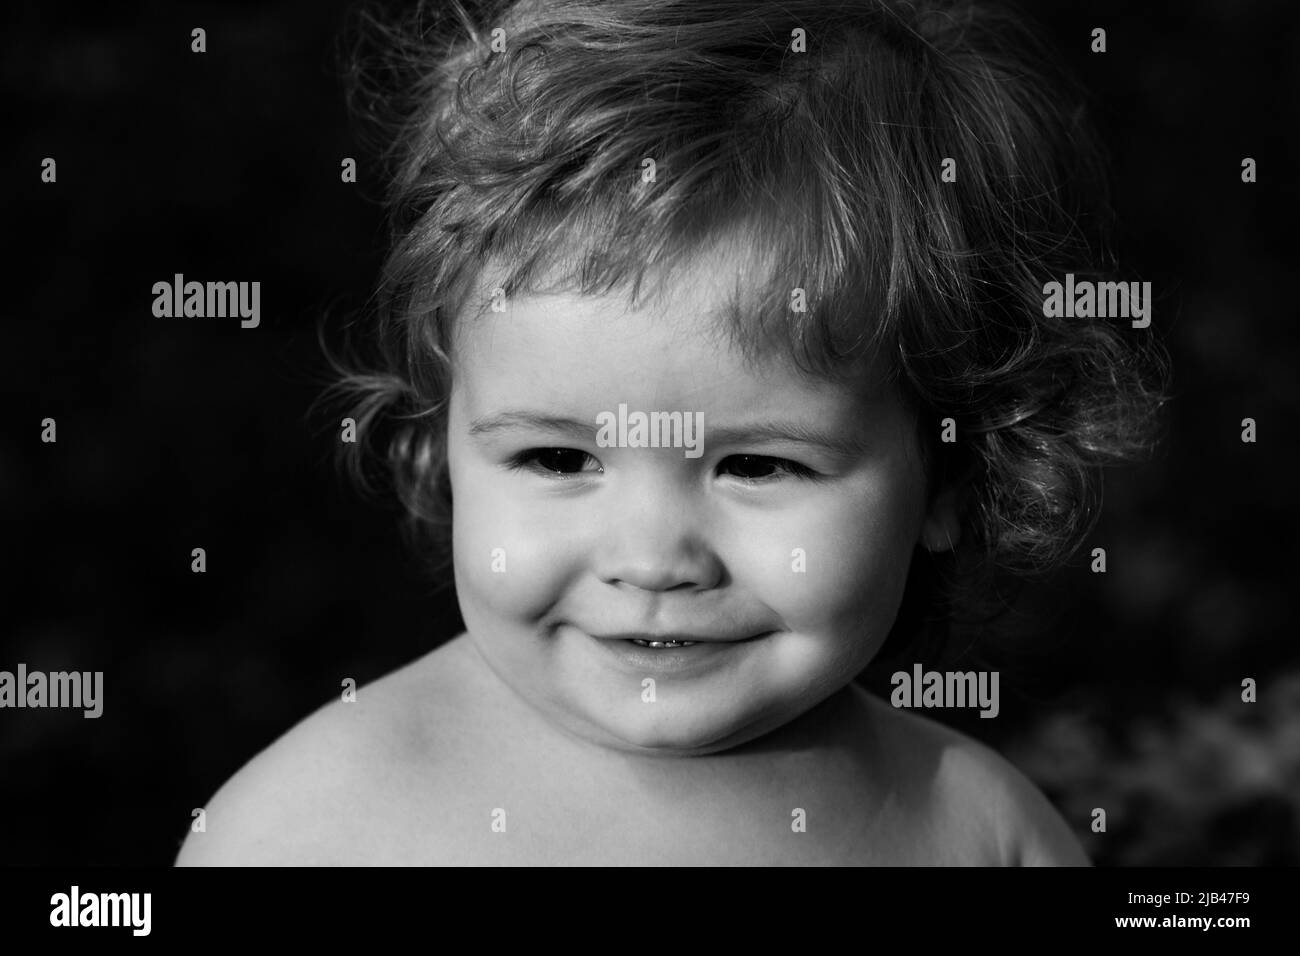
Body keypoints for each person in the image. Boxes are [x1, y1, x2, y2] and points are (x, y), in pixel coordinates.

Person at [177, 0, 1163, 865]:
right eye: (558, 456)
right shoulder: (317, 826)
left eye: (757, 463)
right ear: (446, 444)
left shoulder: (975, 826)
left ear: (950, 474)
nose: (651, 557)